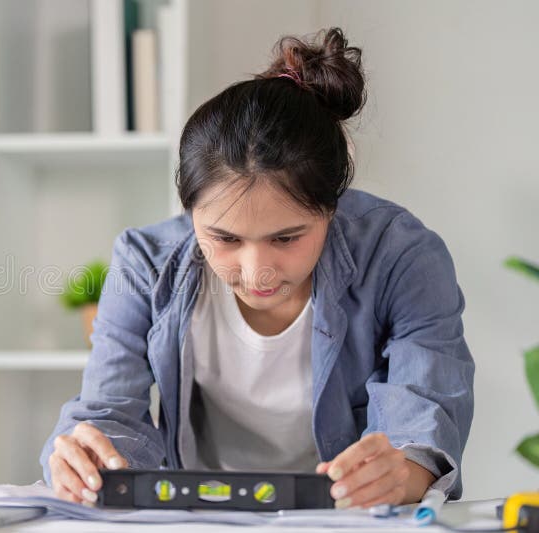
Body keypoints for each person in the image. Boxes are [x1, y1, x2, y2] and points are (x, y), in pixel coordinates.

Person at [40, 27, 474, 510]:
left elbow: (422, 412)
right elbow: (109, 411)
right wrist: (88, 458)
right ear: (190, 214)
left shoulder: (402, 256)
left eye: (286, 238)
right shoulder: (143, 263)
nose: (257, 272)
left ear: (332, 207)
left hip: (343, 521)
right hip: (196, 520)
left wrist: (405, 470)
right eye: (224, 239)